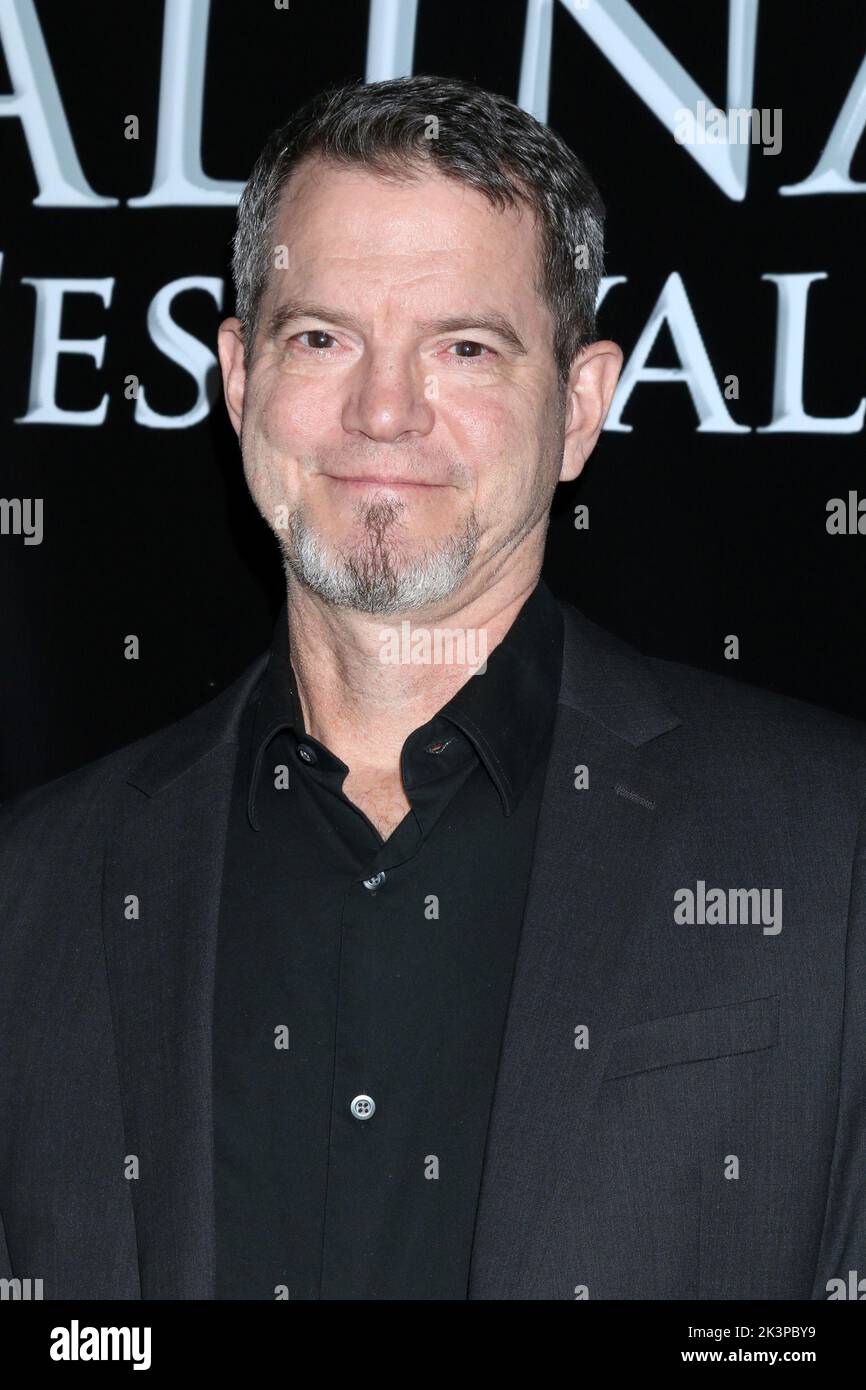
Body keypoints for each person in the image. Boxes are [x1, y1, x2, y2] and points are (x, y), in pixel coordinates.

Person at [1, 74, 865, 1302]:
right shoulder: (36, 890)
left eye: (462, 347)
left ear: (578, 408)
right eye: (322, 338)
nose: (383, 411)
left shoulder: (827, 852)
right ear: (240, 381)